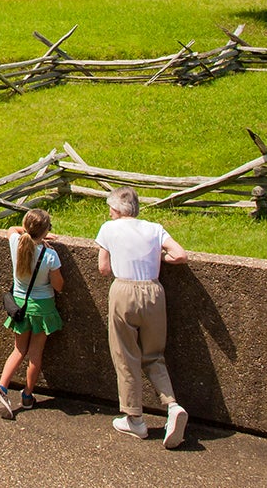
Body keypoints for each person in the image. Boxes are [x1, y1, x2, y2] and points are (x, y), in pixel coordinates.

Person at [95, 186, 187, 447]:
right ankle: (172, 405)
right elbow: (180, 255)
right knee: (154, 354)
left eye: (111, 210)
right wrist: (158, 258)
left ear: (116, 209)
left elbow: (103, 269)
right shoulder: (154, 228)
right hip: (154, 291)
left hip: (123, 290)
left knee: (125, 355)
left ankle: (134, 419)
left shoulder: (109, 229)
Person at [0, 207, 64, 419]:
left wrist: (32, 232)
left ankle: (2, 387)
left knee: (18, 350)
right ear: (46, 230)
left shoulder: (16, 243)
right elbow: (59, 286)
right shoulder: (50, 255)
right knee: (35, 355)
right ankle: (28, 395)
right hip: (42, 308)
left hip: (20, 304)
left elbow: (11, 229)